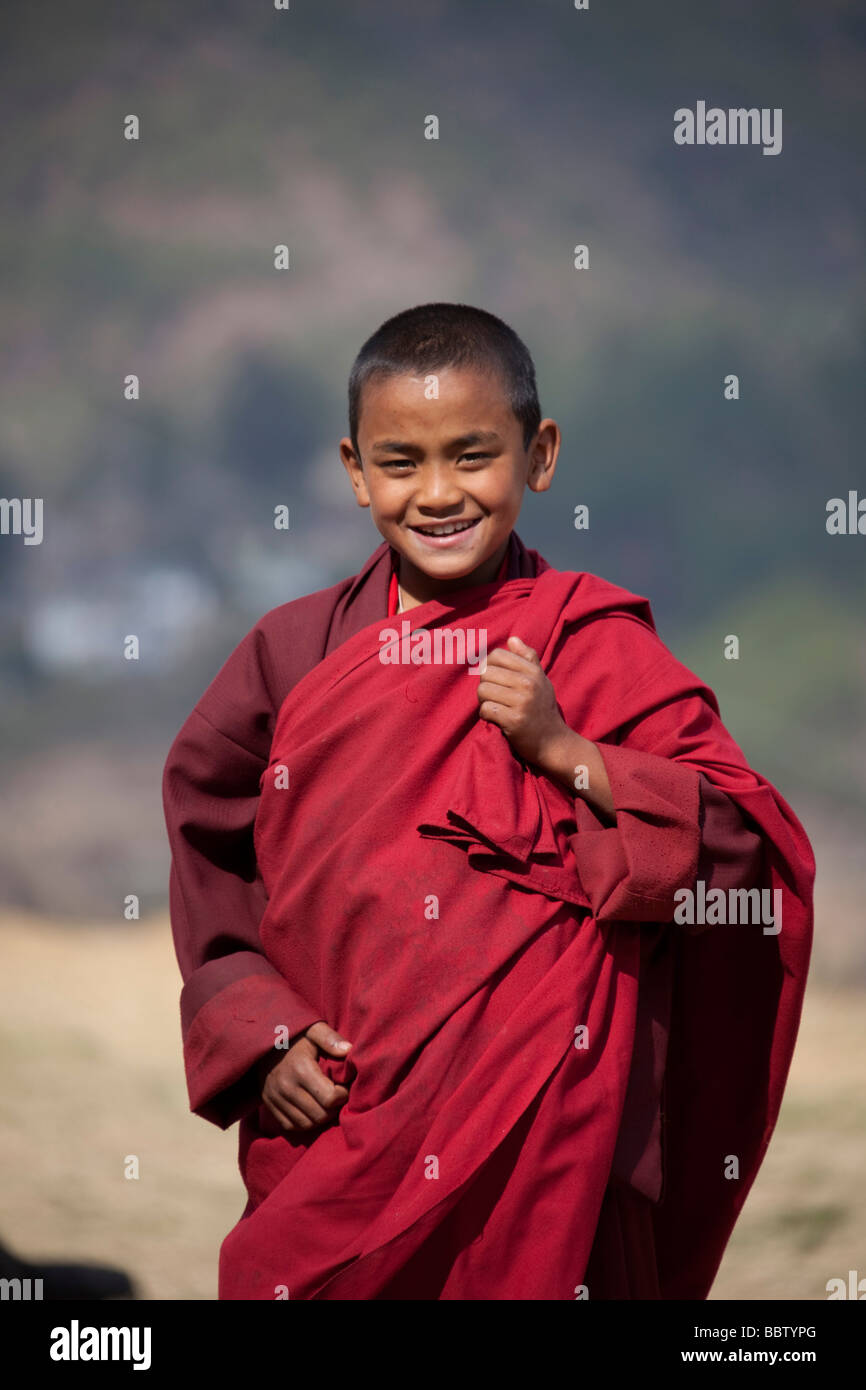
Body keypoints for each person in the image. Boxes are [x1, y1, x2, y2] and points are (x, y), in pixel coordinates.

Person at [162, 303, 814, 1300]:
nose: (436, 494)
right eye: (399, 462)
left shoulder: (591, 645)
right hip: (340, 1124)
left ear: (537, 453)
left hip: (545, 1131)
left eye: (471, 456)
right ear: (352, 470)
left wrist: (570, 753)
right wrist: (261, 1034)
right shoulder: (294, 653)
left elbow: (740, 846)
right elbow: (212, 850)